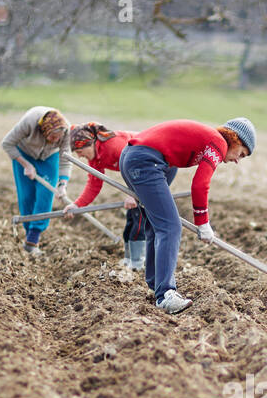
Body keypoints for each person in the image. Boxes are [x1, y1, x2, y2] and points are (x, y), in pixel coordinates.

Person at [117, 117, 256, 314]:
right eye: (240, 154)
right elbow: (200, 185)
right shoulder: (218, 143)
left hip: (134, 157)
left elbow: (173, 158)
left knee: (157, 225)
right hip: (145, 161)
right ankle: (165, 294)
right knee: (170, 227)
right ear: (235, 140)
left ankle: (155, 283)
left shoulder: (210, 139)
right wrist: (203, 223)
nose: (236, 161)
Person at [62, 122, 148, 271]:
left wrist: (135, 195)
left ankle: (138, 263)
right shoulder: (95, 158)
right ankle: (129, 259)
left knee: (138, 214)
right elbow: (94, 185)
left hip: (153, 165)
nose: (79, 156)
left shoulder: (114, 146)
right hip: (138, 173)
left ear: (89, 143)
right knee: (130, 217)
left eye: (79, 151)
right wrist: (77, 205)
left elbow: (140, 167)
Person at [1, 107, 72, 257]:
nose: (56, 140)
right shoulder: (30, 122)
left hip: (49, 158)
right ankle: (28, 233)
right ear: (44, 131)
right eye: (53, 138)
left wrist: (62, 185)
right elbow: (7, 143)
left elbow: (66, 159)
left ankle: (33, 240)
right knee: (27, 196)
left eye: (58, 138)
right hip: (24, 154)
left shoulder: (66, 132)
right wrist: (26, 165)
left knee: (45, 194)